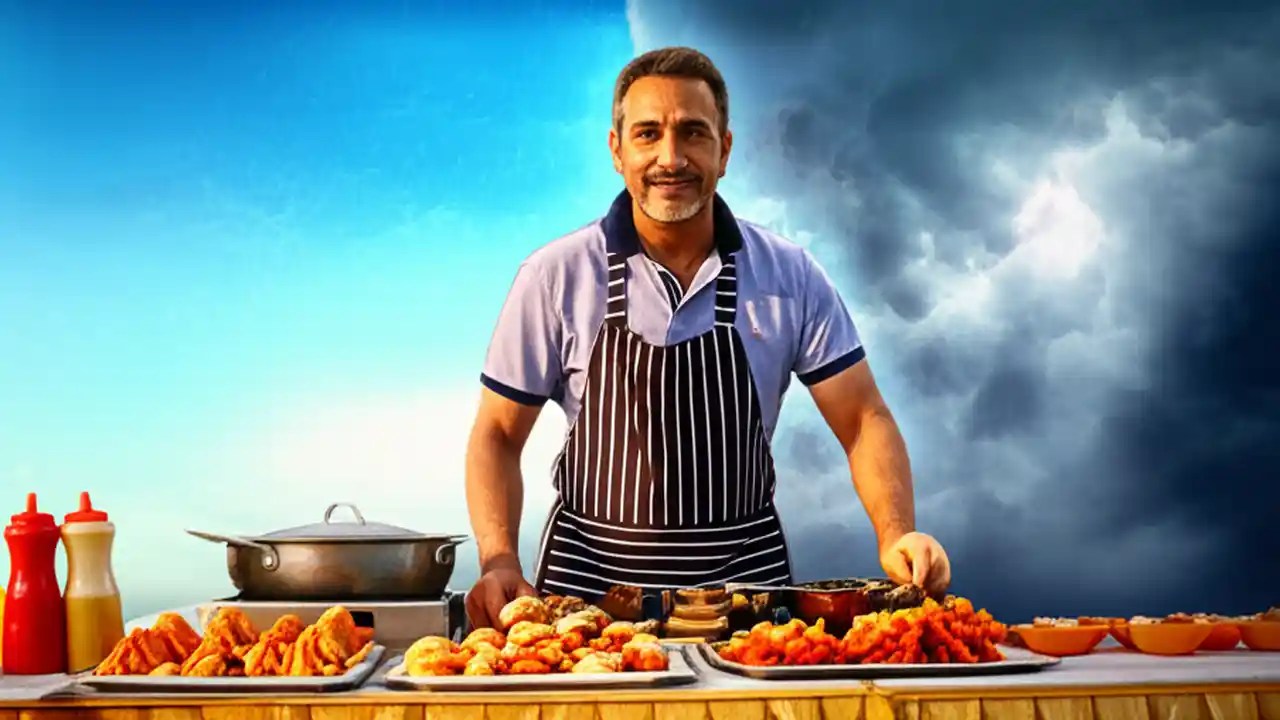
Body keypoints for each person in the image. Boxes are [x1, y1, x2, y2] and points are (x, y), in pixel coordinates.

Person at [463, 46, 951, 629]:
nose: (671, 158)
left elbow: (864, 417)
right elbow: (496, 432)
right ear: (617, 151)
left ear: (725, 148)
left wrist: (897, 532)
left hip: (751, 609)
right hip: (585, 609)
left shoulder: (789, 274)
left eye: (693, 133)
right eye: (648, 134)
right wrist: (498, 559)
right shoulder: (554, 276)